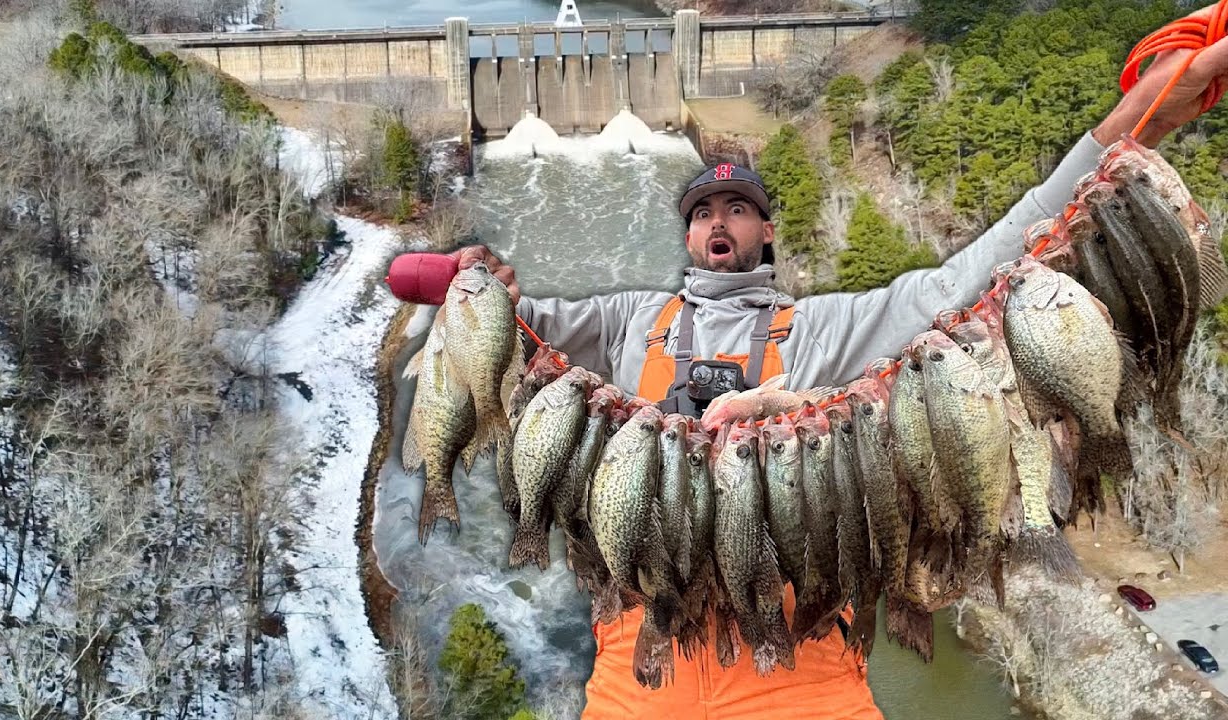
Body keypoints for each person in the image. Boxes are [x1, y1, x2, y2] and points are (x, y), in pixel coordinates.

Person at [451, 6, 1228, 717]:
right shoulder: (621, 323)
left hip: (805, 673)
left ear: (766, 233)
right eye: (701, 213)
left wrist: (1141, 116)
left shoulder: (831, 328)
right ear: (688, 237)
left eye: (739, 209)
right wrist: (477, 278)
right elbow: (491, 328)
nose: (718, 221)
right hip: (638, 674)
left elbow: (988, 262)